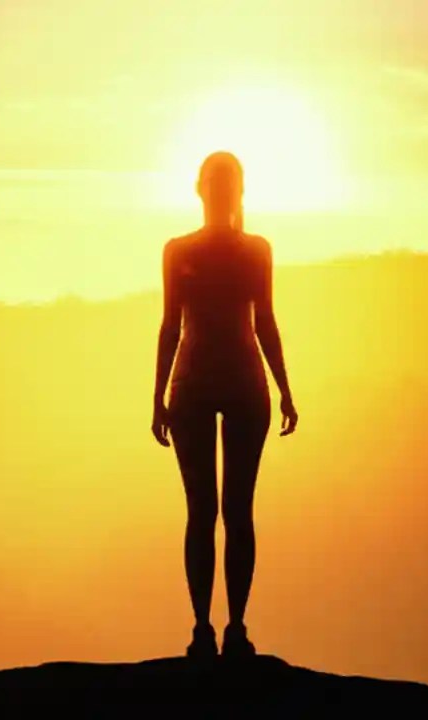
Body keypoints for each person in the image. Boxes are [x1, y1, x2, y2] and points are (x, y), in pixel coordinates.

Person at [150, 151, 298, 659]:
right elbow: (265, 324)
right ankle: (231, 629)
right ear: (239, 191)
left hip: (193, 383)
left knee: (203, 513)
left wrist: (156, 395)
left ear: (200, 190)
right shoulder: (254, 250)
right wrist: (284, 389)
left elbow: (172, 324)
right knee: (236, 511)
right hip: (239, 382)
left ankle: (204, 630)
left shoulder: (179, 251)